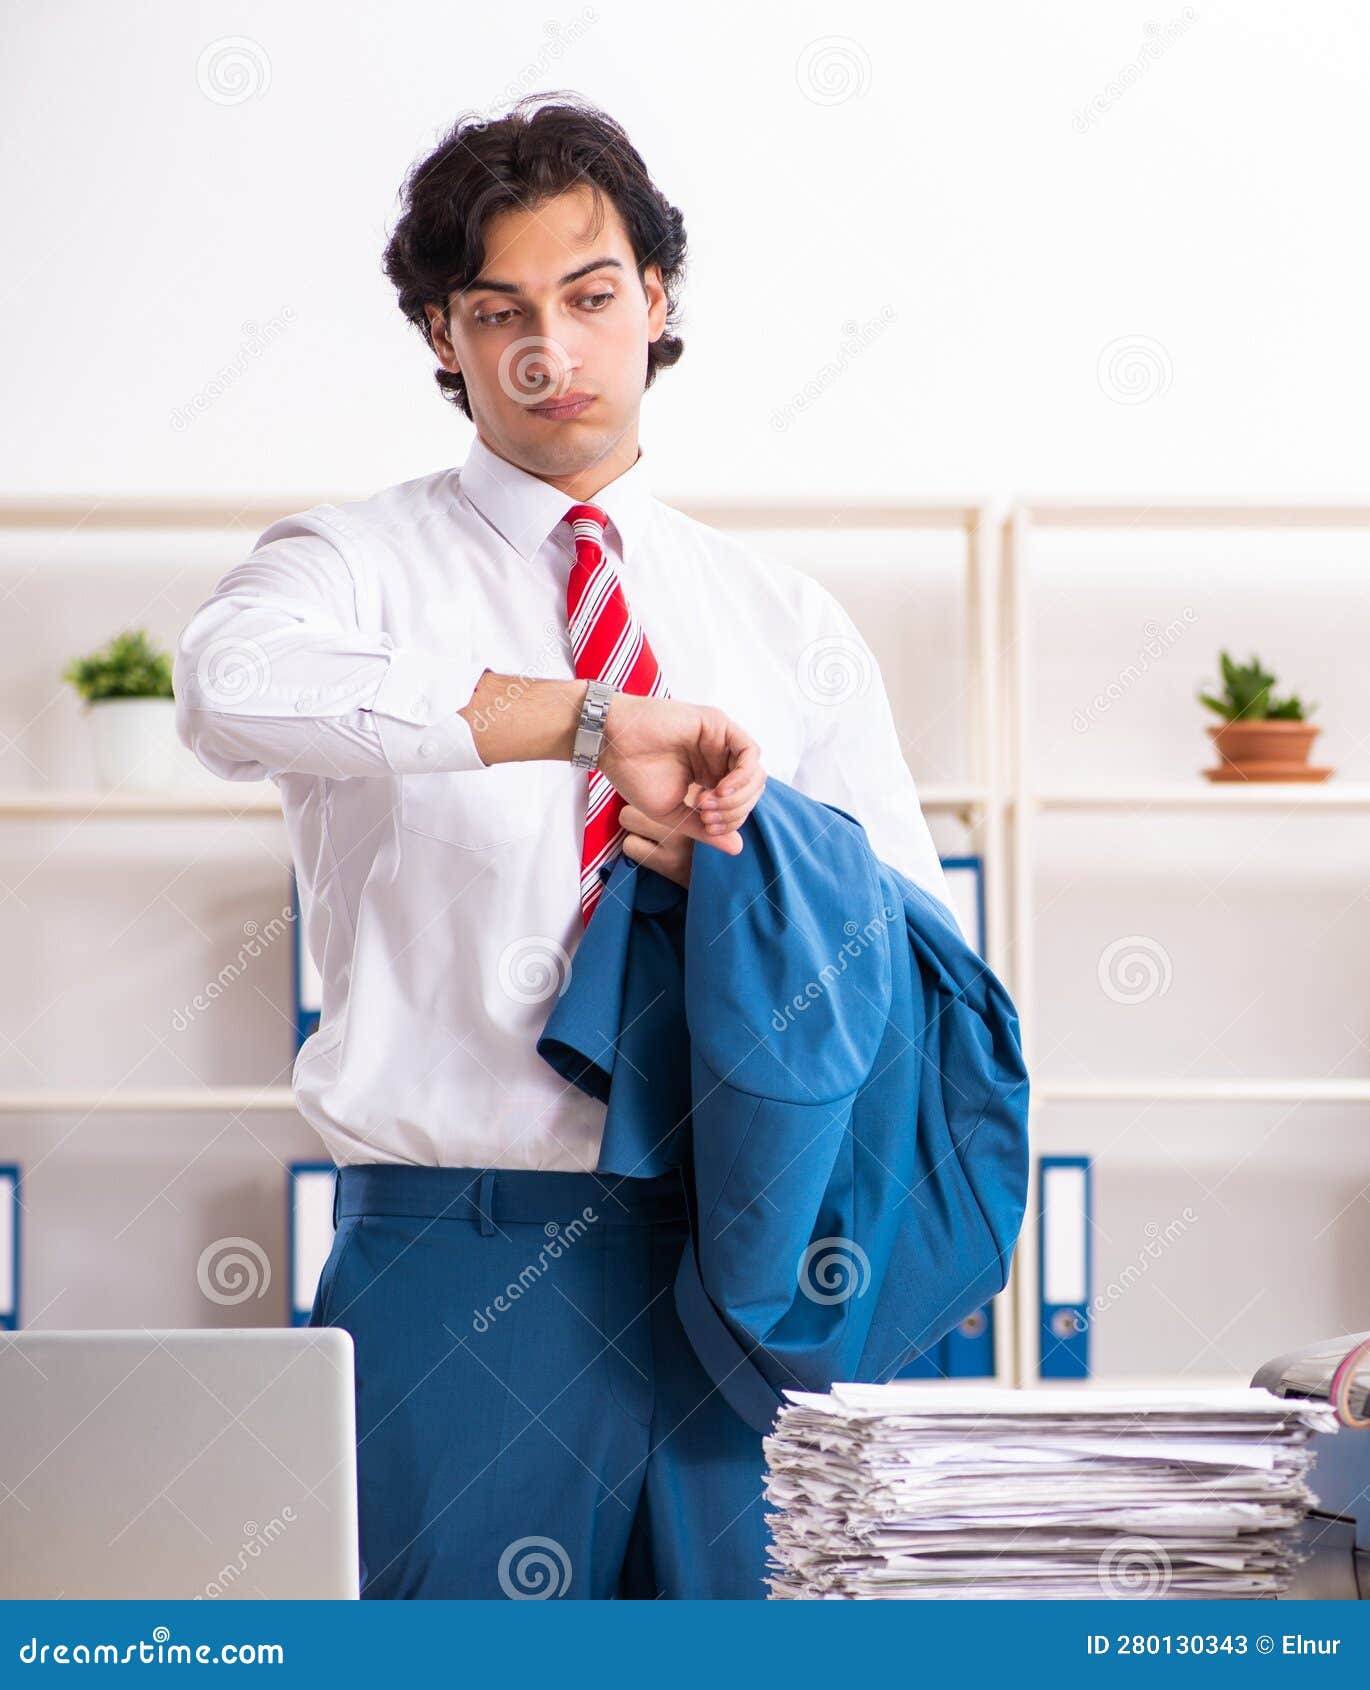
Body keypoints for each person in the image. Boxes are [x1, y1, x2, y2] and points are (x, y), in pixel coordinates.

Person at [174, 90, 952, 1601]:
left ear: (655, 301)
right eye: (499, 310)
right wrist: (587, 721)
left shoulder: (783, 618)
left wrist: (745, 879)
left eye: (591, 298)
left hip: (740, 1260)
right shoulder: (348, 566)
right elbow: (229, 690)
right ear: (442, 334)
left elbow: (915, 945)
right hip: (459, 1260)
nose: (551, 349)